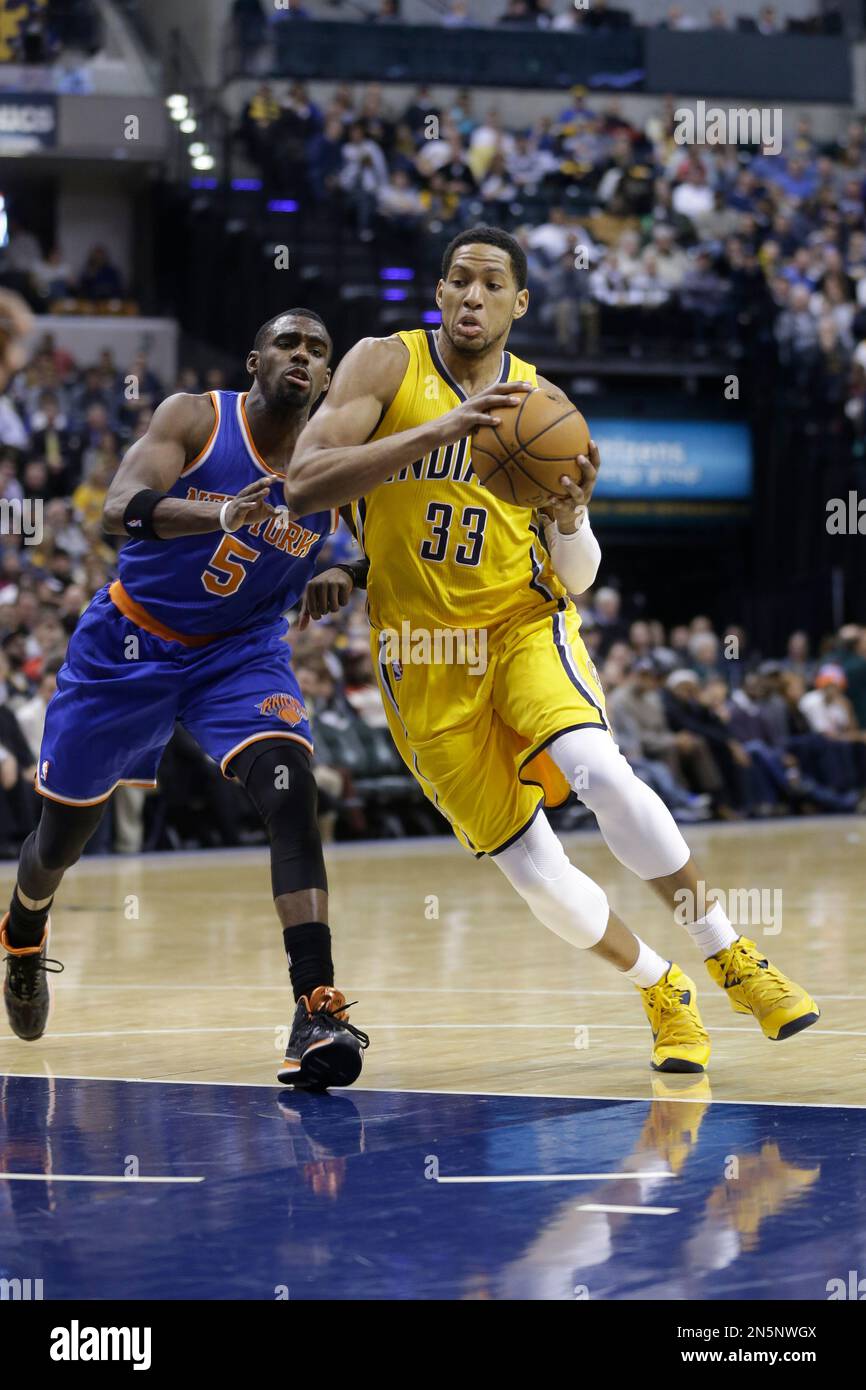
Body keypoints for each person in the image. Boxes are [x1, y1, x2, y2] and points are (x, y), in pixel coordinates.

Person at [286, 225, 818, 1076]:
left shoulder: (545, 409)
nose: (472, 296)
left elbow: (577, 578)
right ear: (437, 292)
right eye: (459, 280)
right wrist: (437, 436)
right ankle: (660, 987)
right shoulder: (384, 365)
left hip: (521, 624)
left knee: (600, 768)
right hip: (421, 656)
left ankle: (730, 956)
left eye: (492, 284)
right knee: (535, 869)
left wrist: (570, 520)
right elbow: (304, 482)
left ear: (519, 303)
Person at [1, 309, 369, 1089]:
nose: (302, 356)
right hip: (129, 644)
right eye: (287, 344)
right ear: (254, 361)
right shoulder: (197, 418)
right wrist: (222, 513)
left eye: (317, 350)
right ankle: (24, 930)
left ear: (330, 379)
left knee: (291, 788)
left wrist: (351, 573)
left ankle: (316, 1006)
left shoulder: (339, 465)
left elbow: (381, 550)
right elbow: (115, 509)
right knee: (60, 840)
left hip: (240, 655)